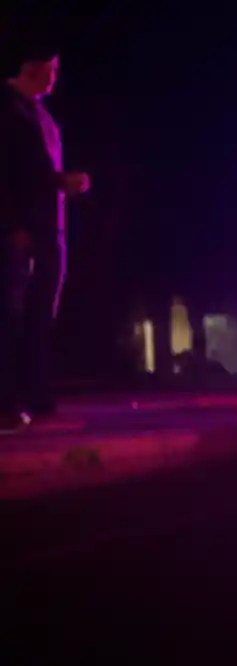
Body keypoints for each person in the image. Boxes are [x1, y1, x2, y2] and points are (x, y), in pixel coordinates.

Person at [0, 37, 90, 432]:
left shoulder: (41, 117)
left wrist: (62, 183)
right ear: (32, 67)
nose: (55, 78)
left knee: (39, 314)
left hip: (49, 227)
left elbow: (37, 172)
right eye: (51, 69)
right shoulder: (6, 109)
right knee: (11, 313)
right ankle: (6, 400)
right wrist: (12, 224)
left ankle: (35, 395)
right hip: (22, 229)